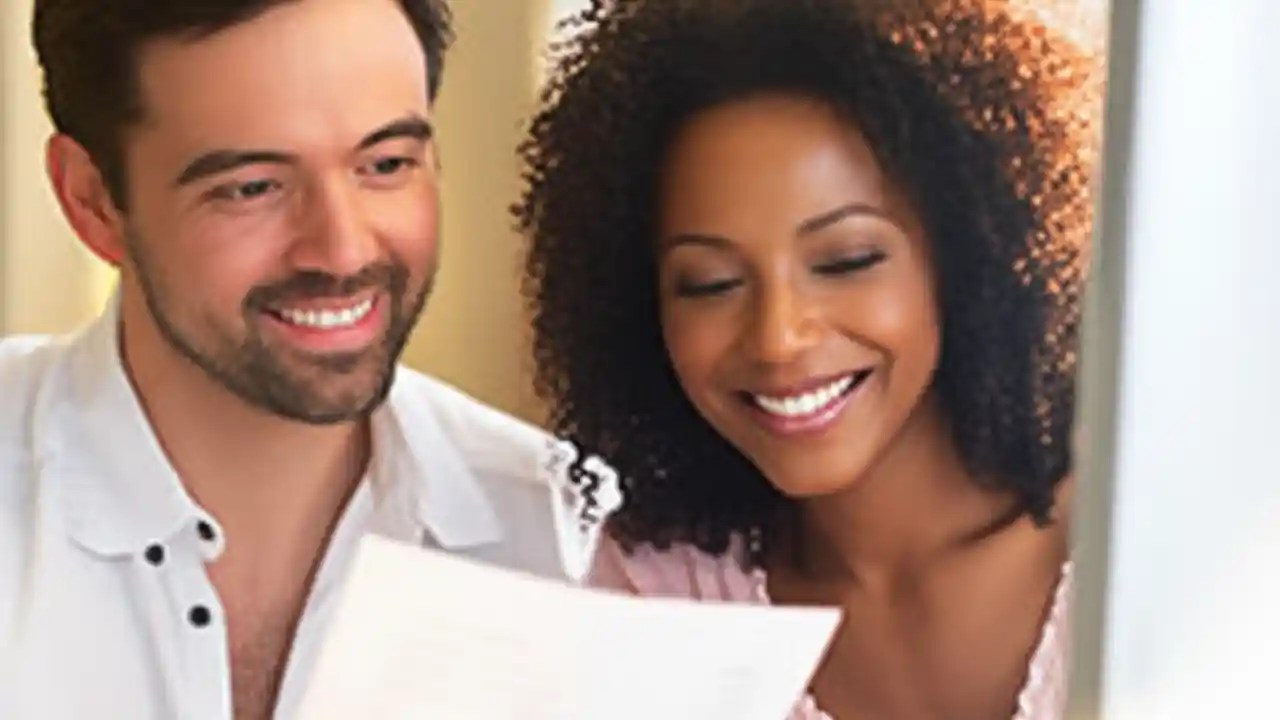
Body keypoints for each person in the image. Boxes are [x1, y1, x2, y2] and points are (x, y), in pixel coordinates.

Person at [0, 0, 617, 718]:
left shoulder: (566, 542)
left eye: (385, 165)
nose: (343, 250)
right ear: (93, 201)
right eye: (252, 187)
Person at [517, 0, 1101, 718]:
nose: (777, 338)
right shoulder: (650, 598)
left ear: (973, 255)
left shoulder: (1143, 553)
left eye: (847, 261)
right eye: (711, 284)